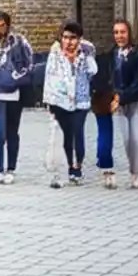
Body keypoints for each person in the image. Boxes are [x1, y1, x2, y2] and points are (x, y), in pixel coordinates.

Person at [0, 11, 33, 185]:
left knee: (11, 132)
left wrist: (17, 77)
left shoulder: (18, 41)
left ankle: (11, 168)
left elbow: (29, 63)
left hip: (13, 93)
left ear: (8, 25)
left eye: (1, 23)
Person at [43, 21, 97, 188]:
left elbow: (93, 72)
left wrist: (82, 55)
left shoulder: (86, 54)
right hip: (60, 101)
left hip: (80, 102)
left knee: (76, 134)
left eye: (73, 38)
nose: (68, 42)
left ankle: (76, 168)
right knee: (60, 136)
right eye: (65, 38)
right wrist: (50, 103)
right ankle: (58, 172)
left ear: (79, 39)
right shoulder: (55, 55)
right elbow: (49, 79)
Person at [113, 19, 138, 189]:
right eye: (116, 32)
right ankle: (133, 171)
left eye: (122, 32)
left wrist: (124, 96)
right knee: (127, 139)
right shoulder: (115, 55)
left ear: (129, 33)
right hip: (120, 104)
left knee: (137, 138)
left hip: (134, 101)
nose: (119, 36)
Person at [91, 27, 119, 190]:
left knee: (104, 129)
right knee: (106, 130)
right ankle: (105, 162)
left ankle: (103, 161)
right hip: (110, 91)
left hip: (99, 91)